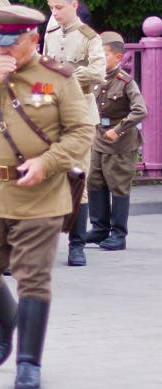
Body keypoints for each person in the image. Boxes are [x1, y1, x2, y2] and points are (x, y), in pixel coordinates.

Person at [0, 4, 93, 389]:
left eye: (11, 46)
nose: (2, 52)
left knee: (33, 277)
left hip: (39, 196)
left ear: (32, 39)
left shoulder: (58, 78)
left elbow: (82, 132)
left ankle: (29, 361)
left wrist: (48, 163)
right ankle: (7, 321)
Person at [43, 0, 104, 266]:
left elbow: (98, 72)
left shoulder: (90, 36)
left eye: (60, 7)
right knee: (51, 176)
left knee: (78, 177)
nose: (55, 13)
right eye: (52, 7)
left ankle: (77, 245)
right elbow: (43, 65)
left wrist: (65, 75)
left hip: (81, 113)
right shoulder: (51, 32)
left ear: (74, 5)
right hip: (54, 114)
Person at [85, 31, 147, 250]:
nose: (99, 60)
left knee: (118, 185)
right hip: (99, 138)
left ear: (118, 58)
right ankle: (99, 229)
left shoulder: (125, 81)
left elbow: (140, 111)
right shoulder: (95, 79)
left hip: (120, 143)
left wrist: (119, 130)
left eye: (103, 55)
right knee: (95, 180)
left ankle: (118, 234)